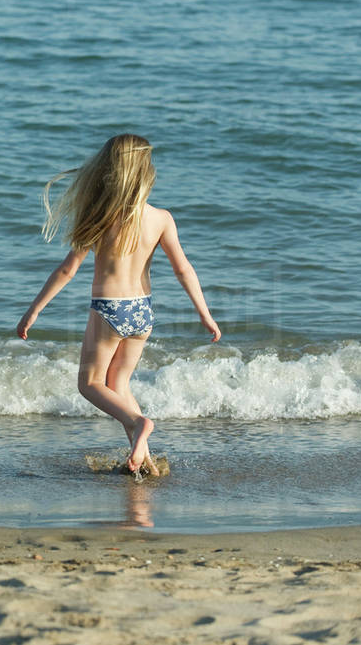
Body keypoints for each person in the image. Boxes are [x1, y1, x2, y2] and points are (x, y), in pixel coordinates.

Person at [16, 134, 221, 475]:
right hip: (143, 313)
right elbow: (183, 269)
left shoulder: (100, 216)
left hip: (109, 310)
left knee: (90, 385)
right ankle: (144, 460)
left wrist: (34, 310)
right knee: (119, 385)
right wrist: (205, 314)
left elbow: (68, 269)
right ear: (145, 172)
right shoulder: (161, 218)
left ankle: (139, 424)